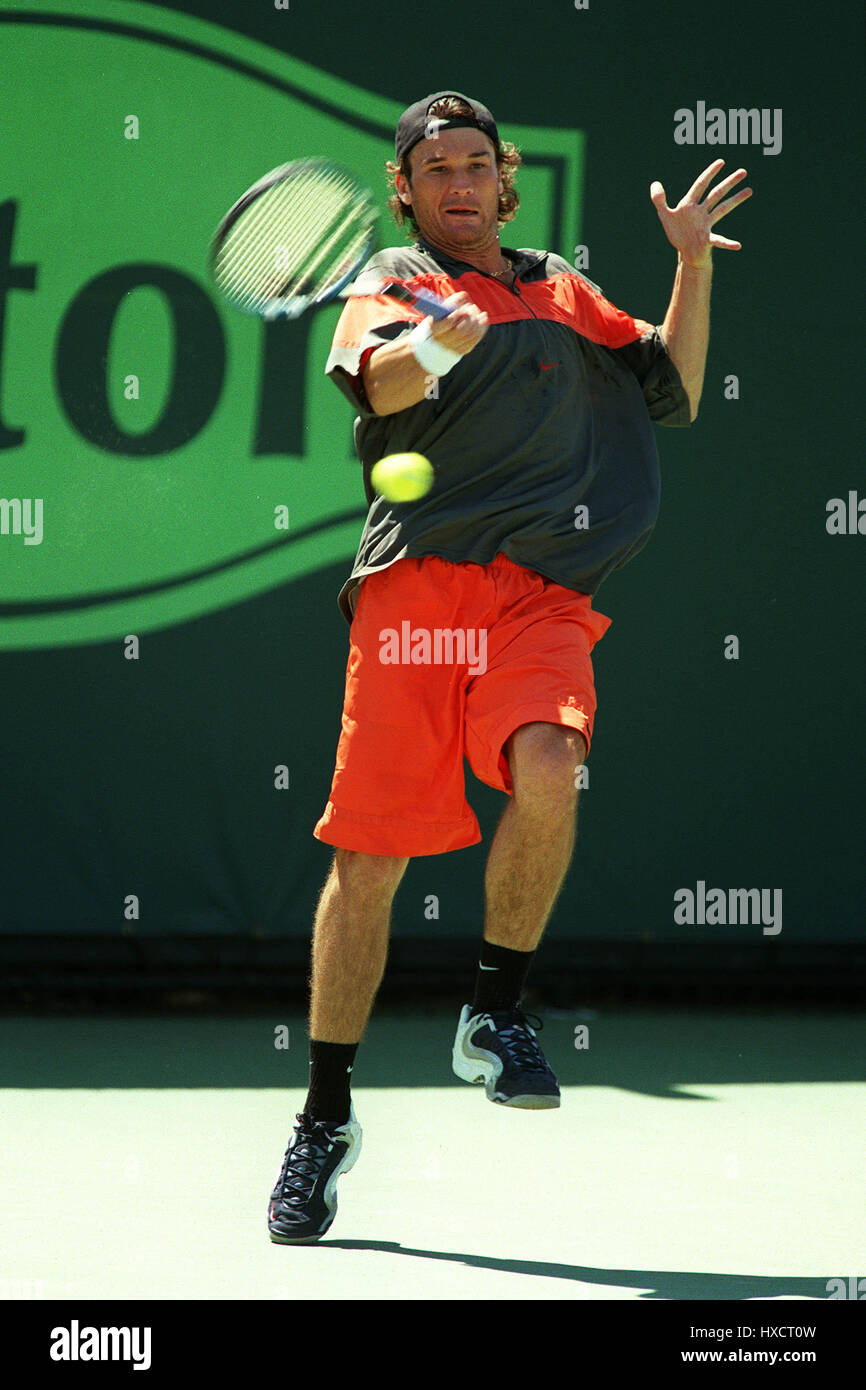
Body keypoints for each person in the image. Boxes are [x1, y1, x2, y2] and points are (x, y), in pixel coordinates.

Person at [268, 90, 752, 1243]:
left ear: (504, 178)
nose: (457, 183)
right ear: (404, 189)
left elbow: (668, 389)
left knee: (549, 761)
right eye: (433, 167)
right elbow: (376, 381)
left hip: (538, 594)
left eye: (474, 163)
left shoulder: (560, 286)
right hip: (416, 593)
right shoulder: (393, 274)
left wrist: (689, 266)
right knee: (370, 864)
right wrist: (439, 338)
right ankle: (324, 1118)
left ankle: (493, 1009)